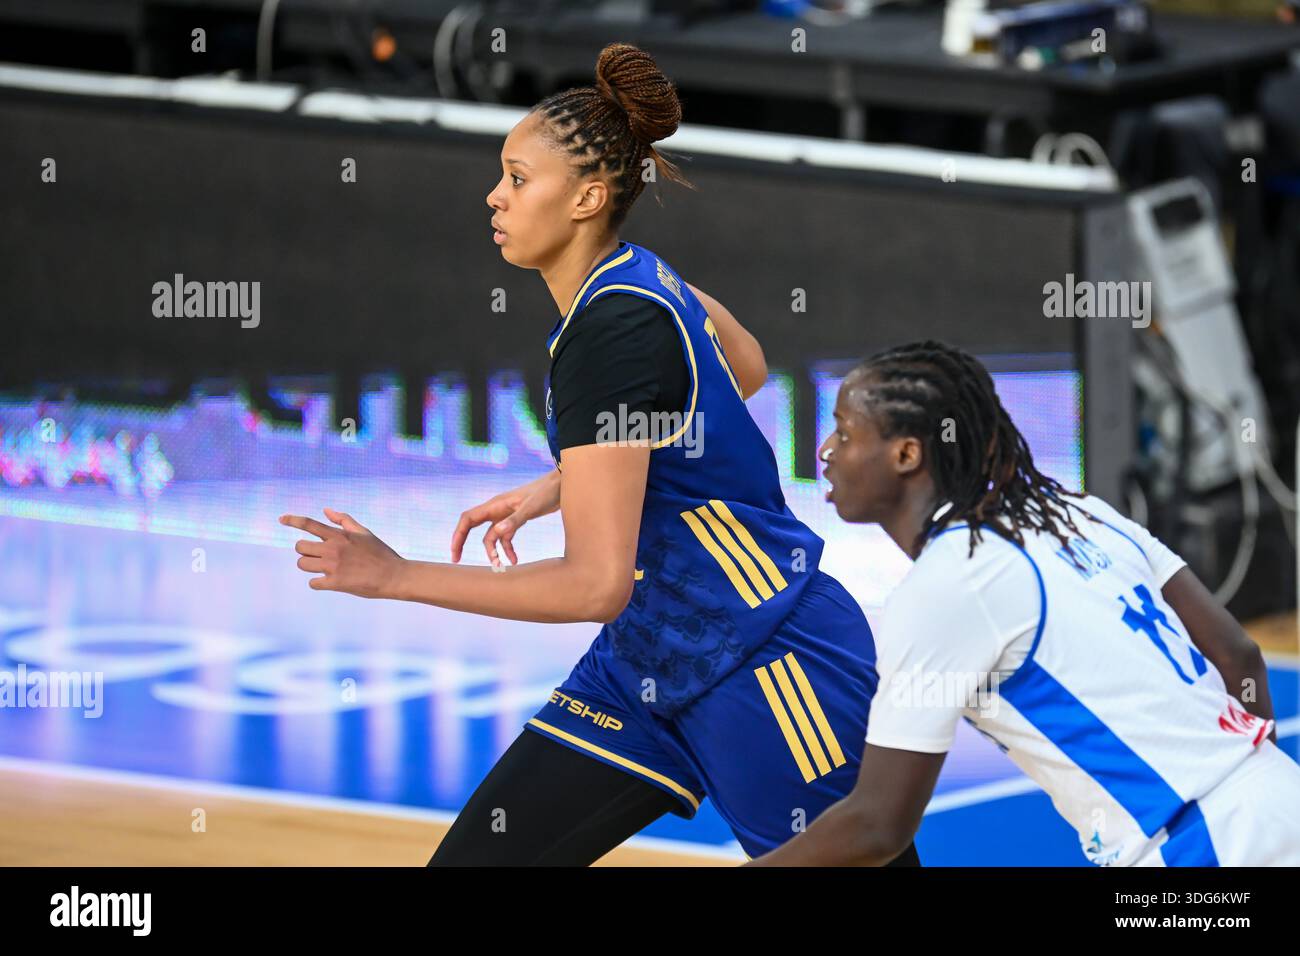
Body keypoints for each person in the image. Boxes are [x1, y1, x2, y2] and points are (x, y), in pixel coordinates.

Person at [281, 43, 918, 866]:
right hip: (647, 662)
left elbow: (593, 583)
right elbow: (745, 366)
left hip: (760, 656)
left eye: (516, 177)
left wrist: (395, 576)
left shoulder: (608, 332)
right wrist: (571, 478)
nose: (494, 196)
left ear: (586, 196)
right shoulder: (640, 277)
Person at [749, 340, 1300, 866]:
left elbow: (879, 825)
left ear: (906, 453)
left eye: (845, 434)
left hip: (1204, 847)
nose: (826, 450)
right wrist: (1249, 794)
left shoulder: (948, 586)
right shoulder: (1081, 512)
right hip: (1277, 794)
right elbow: (1239, 654)